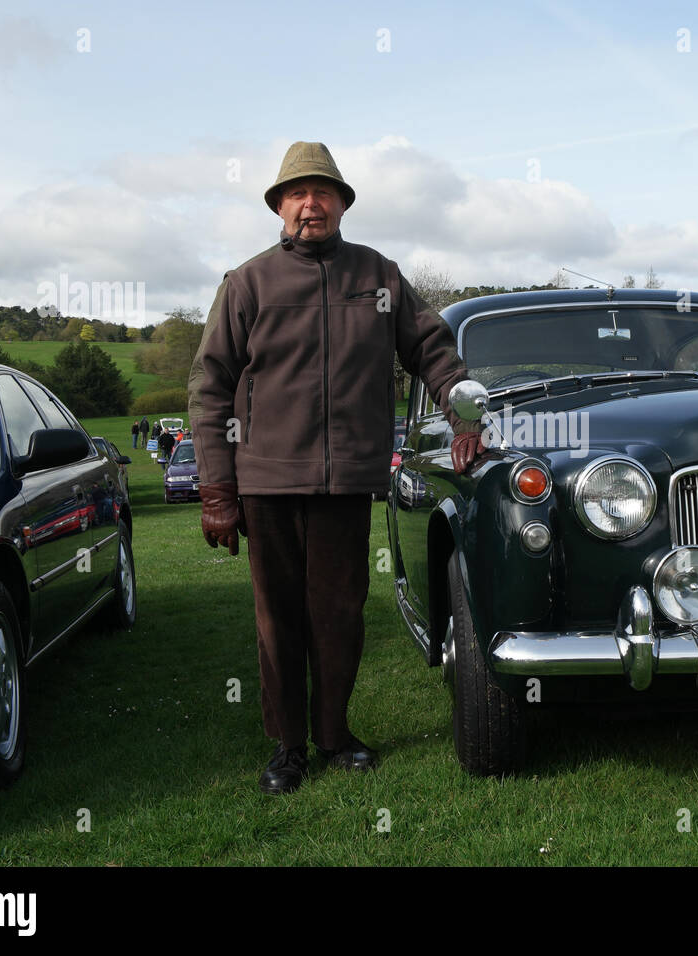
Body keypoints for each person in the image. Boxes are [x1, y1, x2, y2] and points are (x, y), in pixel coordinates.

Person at [189, 141, 483, 795]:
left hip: (348, 479)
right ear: (279, 206)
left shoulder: (379, 276)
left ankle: (335, 733)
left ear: (343, 203)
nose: (310, 204)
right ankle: (288, 748)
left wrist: (465, 417)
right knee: (279, 619)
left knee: (340, 615)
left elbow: (432, 350)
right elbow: (210, 386)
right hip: (266, 481)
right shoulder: (248, 283)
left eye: (322, 192)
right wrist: (216, 489)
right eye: (296, 193)